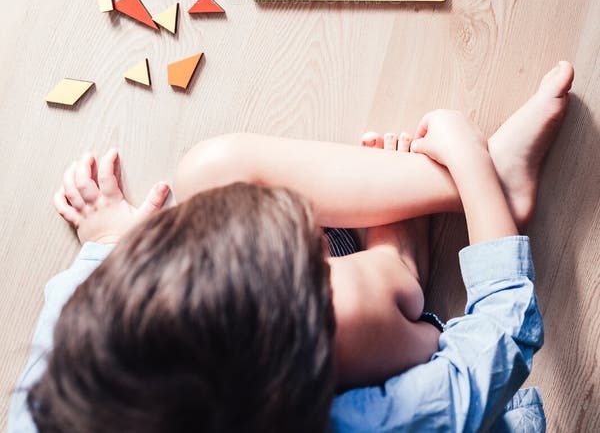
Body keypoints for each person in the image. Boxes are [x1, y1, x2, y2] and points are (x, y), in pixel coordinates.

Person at [8, 61, 573, 432]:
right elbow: (505, 332)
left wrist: (109, 242)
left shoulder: (69, 390)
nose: (322, 252)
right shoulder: (376, 424)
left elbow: (74, 326)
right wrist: (471, 165)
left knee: (210, 168)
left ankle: (447, 197)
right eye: (318, 268)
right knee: (366, 293)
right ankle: (423, 240)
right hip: (428, 377)